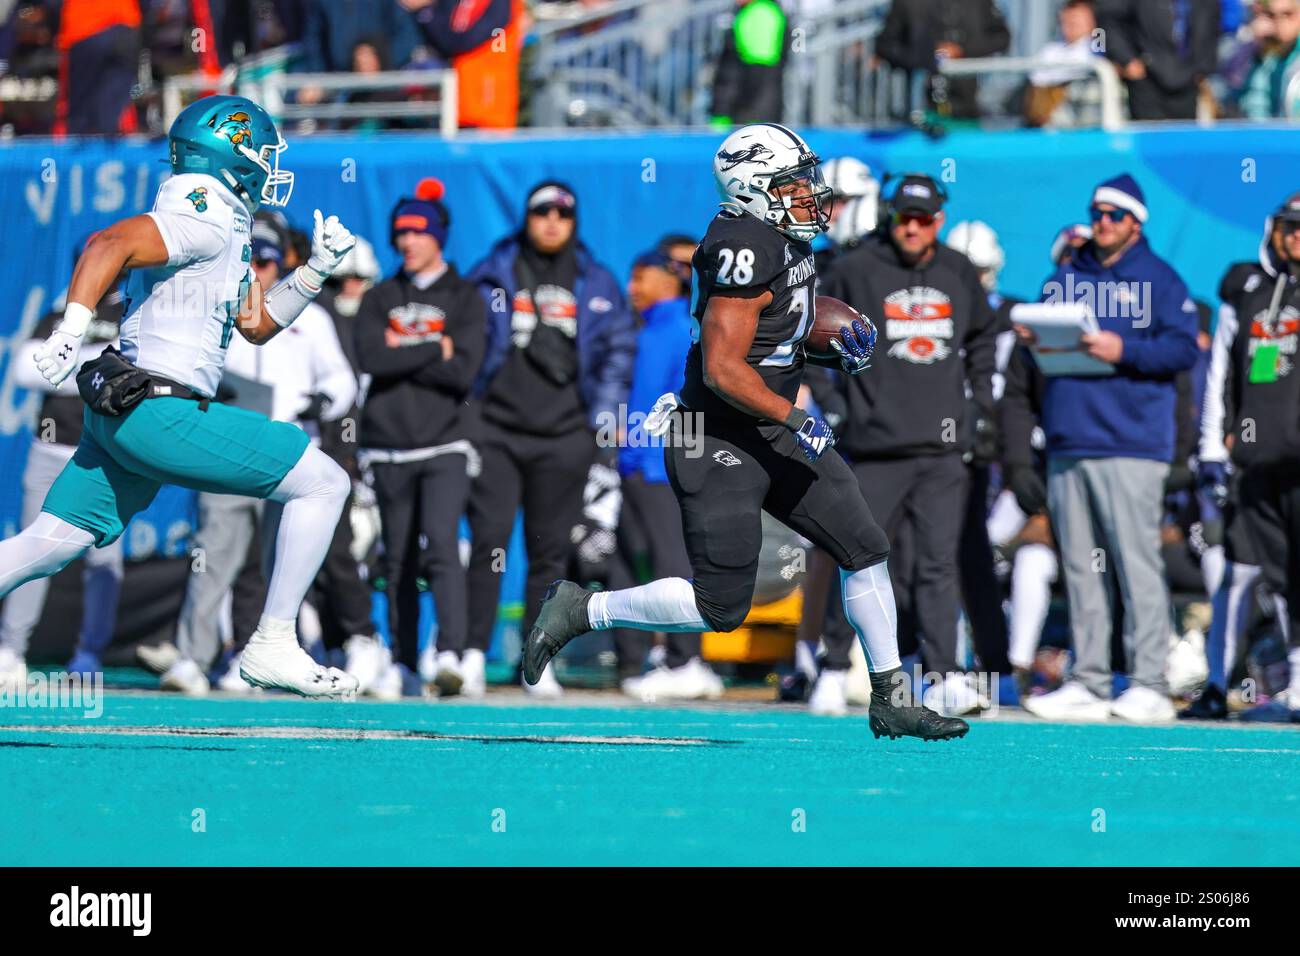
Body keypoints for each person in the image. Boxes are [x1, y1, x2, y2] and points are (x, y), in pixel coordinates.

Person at [522, 124, 969, 742]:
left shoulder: (787, 243)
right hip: (715, 436)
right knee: (721, 608)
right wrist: (796, 417)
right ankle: (583, 608)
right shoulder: (740, 244)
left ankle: (890, 695)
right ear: (753, 187)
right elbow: (723, 366)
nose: (810, 193)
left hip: (768, 427)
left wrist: (827, 340)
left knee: (864, 548)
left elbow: (778, 326)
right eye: (793, 183)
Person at [0, 94, 359, 697]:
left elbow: (256, 324)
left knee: (49, 543)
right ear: (231, 153)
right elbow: (105, 245)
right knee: (325, 482)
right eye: (263, 154)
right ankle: (272, 641)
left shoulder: (227, 222)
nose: (270, 168)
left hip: (126, 413)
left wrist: (314, 271)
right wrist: (69, 330)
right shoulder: (205, 211)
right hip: (159, 410)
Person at [816, 176, 1000, 718]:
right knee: (858, 561)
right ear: (890, 215)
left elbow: (984, 338)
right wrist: (837, 404)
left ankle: (942, 676)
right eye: (904, 217)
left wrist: (981, 404)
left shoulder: (959, 271)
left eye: (924, 218)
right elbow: (811, 338)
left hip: (942, 451)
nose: (914, 227)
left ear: (939, 220)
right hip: (874, 448)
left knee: (939, 565)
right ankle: (831, 667)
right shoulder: (855, 269)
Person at [1020, 174, 1199, 724]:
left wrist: (1124, 348)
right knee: (1079, 564)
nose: (1103, 222)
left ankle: (1148, 680)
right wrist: (1036, 341)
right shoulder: (1067, 274)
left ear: (1136, 223)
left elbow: (1182, 348)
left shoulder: (1161, 279)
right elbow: (1041, 340)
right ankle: (1090, 680)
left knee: (1135, 562)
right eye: (1097, 213)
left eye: (1115, 215)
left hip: (1132, 441)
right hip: (1071, 436)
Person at [161, 222, 361, 696]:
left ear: (280, 265)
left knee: (279, 562)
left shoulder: (308, 316)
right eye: (250, 262)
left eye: (267, 262)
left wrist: (323, 403)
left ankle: (257, 652)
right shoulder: (216, 308)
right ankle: (195, 656)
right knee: (214, 558)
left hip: (288, 452)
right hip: (226, 447)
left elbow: (342, 378)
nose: (258, 271)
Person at [465, 181, 635, 698]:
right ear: (527, 217)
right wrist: (468, 415)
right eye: (542, 211)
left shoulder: (596, 279)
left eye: (563, 212)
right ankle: (471, 652)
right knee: (489, 544)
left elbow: (618, 350)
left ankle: (537, 662)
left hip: (564, 436)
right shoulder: (494, 271)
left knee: (550, 552)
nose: (552, 221)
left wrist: (600, 418)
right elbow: (469, 338)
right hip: (496, 431)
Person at [355, 180, 486, 696]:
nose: (406, 241)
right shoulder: (379, 296)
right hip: (387, 446)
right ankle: (405, 661)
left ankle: (451, 653)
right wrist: (437, 345)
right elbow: (371, 358)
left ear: (438, 238)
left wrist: (404, 347)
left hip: (445, 445)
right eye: (400, 233)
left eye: (417, 232)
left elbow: (464, 374)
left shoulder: (466, 297)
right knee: (397, 559)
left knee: (440, 547)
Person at [0, 241, 125, 688]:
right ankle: (11, 649)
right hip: (48, 452)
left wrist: (70, 369)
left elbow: (128, 375)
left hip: (102, 458)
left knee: (104, 562)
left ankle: (90, 652)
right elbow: (23, 370)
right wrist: (90, 374)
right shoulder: (58, 318)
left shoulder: (130, 315)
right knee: (31, 549)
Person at [1197, 192, 1300, 723]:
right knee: (1238, 571)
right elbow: (1220, 372)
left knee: (1294, 573)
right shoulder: (1247, 288)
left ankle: (1297, 682)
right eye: (1292, 227)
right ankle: (1217, 684)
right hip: (1255, 462)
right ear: (1274, 231)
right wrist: (1213, 446)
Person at [611, 247, 723, 702]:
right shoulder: (686, 324)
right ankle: (670, 658)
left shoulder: (664, 327)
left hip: (656, 465)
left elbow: (643, 402)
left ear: (669, 280)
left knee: (669, 562)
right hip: (675, 460)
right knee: (656, 558)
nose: (633, 288)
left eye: (641, 277)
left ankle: (681, 660)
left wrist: (630, 460)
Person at [875, 0, 1011, 120]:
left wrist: (962, 50)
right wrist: (927, 55)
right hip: (920, 108)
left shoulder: (979, 2)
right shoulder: (907, 3)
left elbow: (1001, 38)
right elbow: (885, 45)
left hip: (969, 106)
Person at [1094, 0, 1219, 120]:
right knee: (1150, 138)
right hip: (1146, 77)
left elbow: (1210, 21)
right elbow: (1110, 20)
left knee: (1184, 138)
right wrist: (1127, 59)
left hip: (1189, 79)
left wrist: (1203, 67)